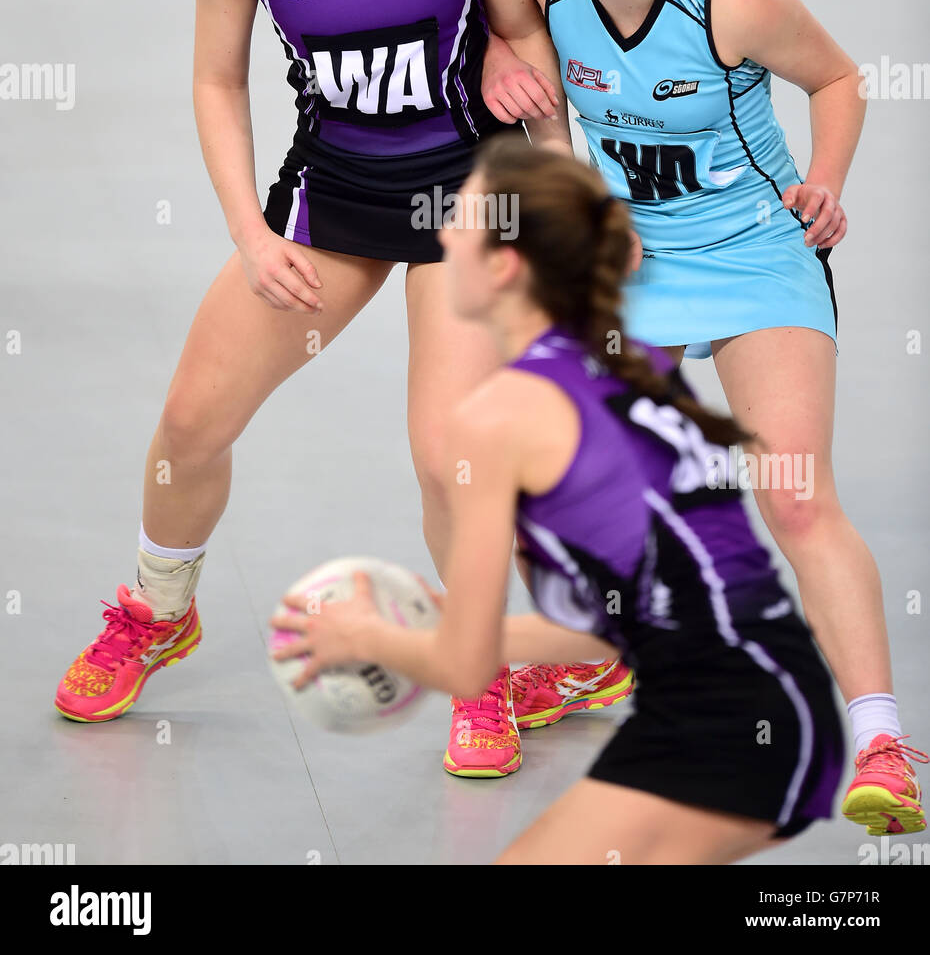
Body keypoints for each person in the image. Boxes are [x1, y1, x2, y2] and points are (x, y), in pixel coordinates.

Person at [54, 0, 625, 774]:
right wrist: (246, 230)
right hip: (336, 197)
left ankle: (486, 667)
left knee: (446, 453)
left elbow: (523, 30)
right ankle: (160, 608)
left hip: (469, 194)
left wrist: (532, 99)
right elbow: (218, 83)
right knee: (191, 423)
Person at [482, 0, 927, 834]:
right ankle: (599, 663)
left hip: (756, 256)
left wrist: (826, 182)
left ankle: (878, 741)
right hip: (632, 264)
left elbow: (840, 77)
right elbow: (478, 15)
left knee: (794, 494)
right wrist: (503, 49)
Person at [270, 137, 859, 864]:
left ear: (506, 266)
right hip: (770, 707)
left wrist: (369, 640)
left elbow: (463, 668)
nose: (442, 231)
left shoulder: (501, 418)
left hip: (727, 725)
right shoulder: (626, 369)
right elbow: (609, 632)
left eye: (463, 222)